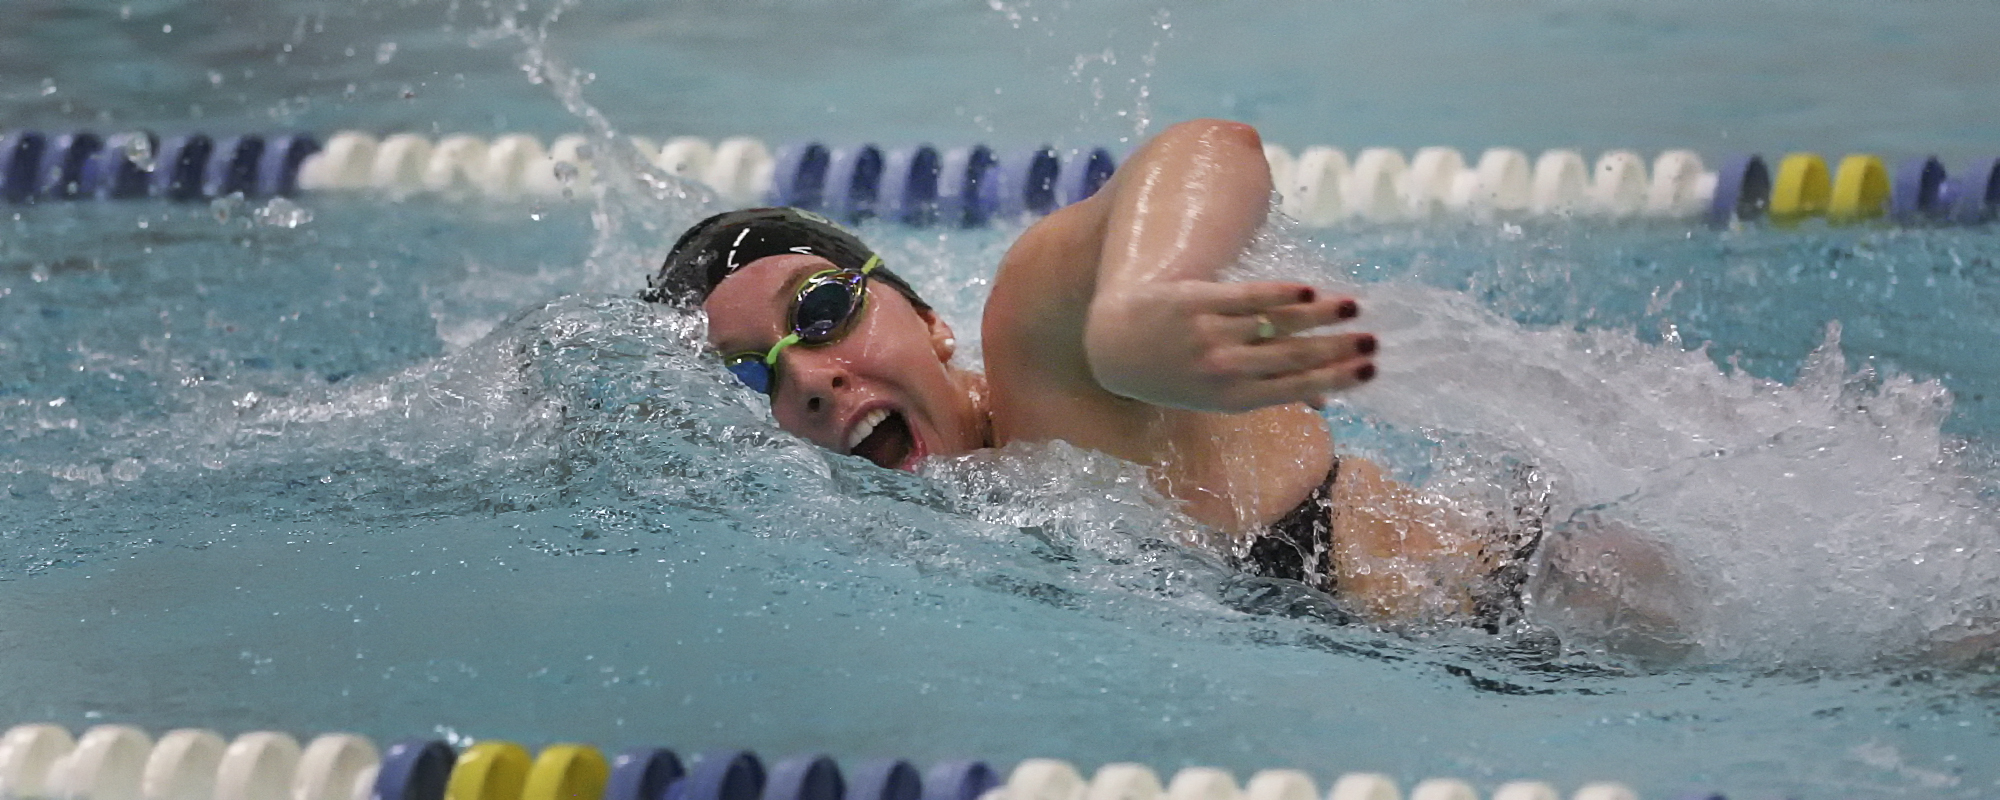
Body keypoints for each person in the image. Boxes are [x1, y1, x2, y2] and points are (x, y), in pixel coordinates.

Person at [642, 119, 1536, 626]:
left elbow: (1211, 148)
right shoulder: (911, 530)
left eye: (821, 314)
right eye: (753, 377)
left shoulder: (1041, 353)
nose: (808, 378)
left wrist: (1136, 307)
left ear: (926, 317)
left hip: (1539, 593)